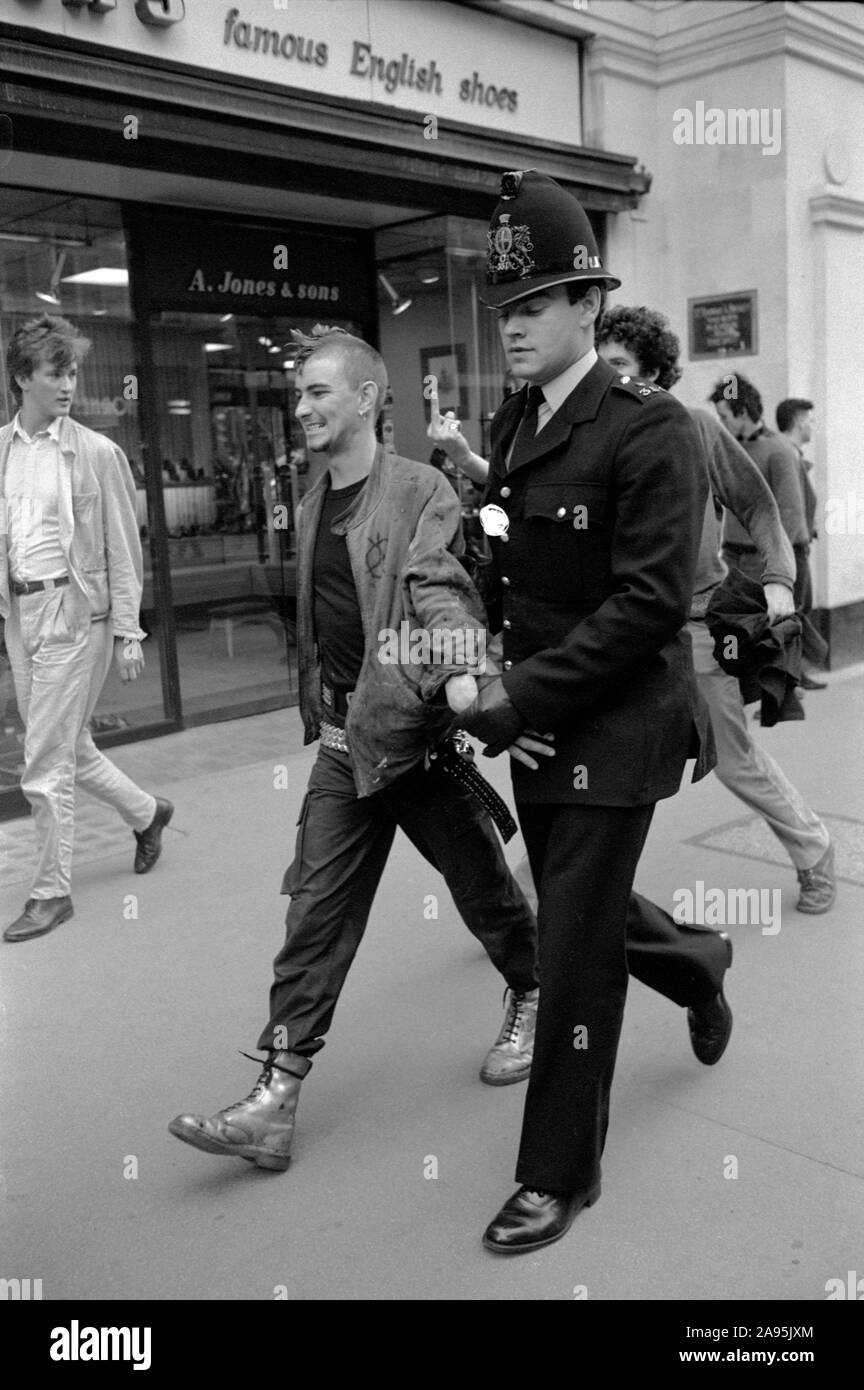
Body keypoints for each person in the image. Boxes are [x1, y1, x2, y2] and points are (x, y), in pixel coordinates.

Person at [168, 326, 541, 1175]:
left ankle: (532, 986)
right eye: (298, 395)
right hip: (342, 746)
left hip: (412, 742)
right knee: (314, 915)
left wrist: (458, 676)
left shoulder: (421, 489)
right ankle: (275, 1096)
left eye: (317, 393)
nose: (300, 408)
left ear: (368, 398)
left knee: (481, 889)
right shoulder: (308, 504)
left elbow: (438, 585)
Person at [443, 170, 724, 1255]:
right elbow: (504, 558)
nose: (513, 327)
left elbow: (648, 602)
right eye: (504, 309)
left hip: (619, 724)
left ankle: (557, 1173)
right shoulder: (515, 424)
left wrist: (520, 697)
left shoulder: (652, 430)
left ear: (586, 306)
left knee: (570, 948)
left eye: (535, 305)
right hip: (541, 713)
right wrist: (484, 651)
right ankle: (701, 966)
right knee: (585, 912)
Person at [597, 311, 834, 914]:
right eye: (601, 363)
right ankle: (538, 888)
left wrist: (780, 580)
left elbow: (758, 505)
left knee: (734, 763)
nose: (606, 374)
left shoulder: (697, 427)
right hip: (627, 632)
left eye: (619, 363)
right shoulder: (598, 437)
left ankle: (814, 848)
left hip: (700, 628)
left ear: (652, 371)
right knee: (600, 758)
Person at [0, 315, 173, 944]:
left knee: (42, 761)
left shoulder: (97, 453)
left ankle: (51, 893)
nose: (69, 383)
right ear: (23, 378)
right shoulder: (2, 451)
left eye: (72, 370)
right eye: (56, 372)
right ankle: (148, 812)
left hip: (79, 617)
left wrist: (130, 631)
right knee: (69, 750)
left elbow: (126, 549)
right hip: (22, 618)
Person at [776, 397, 824, 689]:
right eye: (810, 419)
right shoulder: (784, 453)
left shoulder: (790, 453)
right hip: (791, 548)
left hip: (794, 545)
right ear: (798, 421)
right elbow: (788, 508)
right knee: (793, 611)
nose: (812, 425)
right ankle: (790, 677)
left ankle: (797, 672)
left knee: (798, 610)